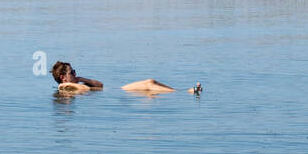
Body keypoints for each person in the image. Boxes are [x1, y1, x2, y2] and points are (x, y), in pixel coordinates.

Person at [51, 61, 201, 96]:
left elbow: (100, 85)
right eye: (72, 72)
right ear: (64, 78)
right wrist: (77, 83)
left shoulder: (72, 83)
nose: (75, 74)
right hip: (118, 94)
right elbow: (84, 89)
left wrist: (80, 77)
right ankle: (184, 92)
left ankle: (181, 91)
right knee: (149, 87)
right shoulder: (65, 88)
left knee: (150, 82)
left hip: (116, 90)